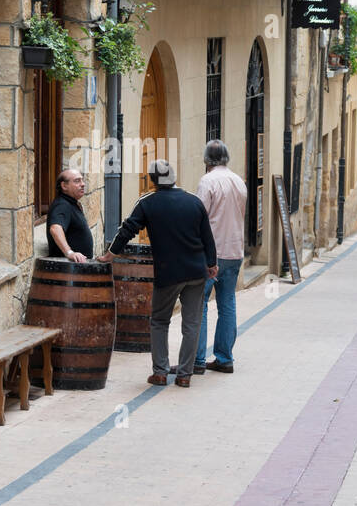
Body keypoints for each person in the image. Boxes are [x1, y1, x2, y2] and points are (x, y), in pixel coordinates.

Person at [100, 160, 217, 388]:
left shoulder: (148, 203)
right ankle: (184, 375)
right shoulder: (194, 202)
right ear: (174, 178)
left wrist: (110, 254)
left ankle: (160, 373)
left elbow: (128, 229)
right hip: (196, 271)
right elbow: (207, 236)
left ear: (153, 180)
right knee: (192, 324)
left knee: (160, 321)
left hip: (168, 273)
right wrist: (211, 263)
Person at [195, 140, 247, 375]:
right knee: (227, 304)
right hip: (234, 250)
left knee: (200, 304)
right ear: (227, 158)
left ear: (206, 160)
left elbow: (199, 217)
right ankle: (225, 358)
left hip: (211, 253)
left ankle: (197, 359)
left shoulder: (207, 182)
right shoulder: (239, 181)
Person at [46, 168, 93, 262]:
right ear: (64, 186)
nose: (83, 184)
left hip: (79, 269)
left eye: (82, 180)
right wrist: (69, 253)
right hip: (69, 270)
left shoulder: (70, 203)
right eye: (77, 181)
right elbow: (55, 229)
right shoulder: (62, 205)